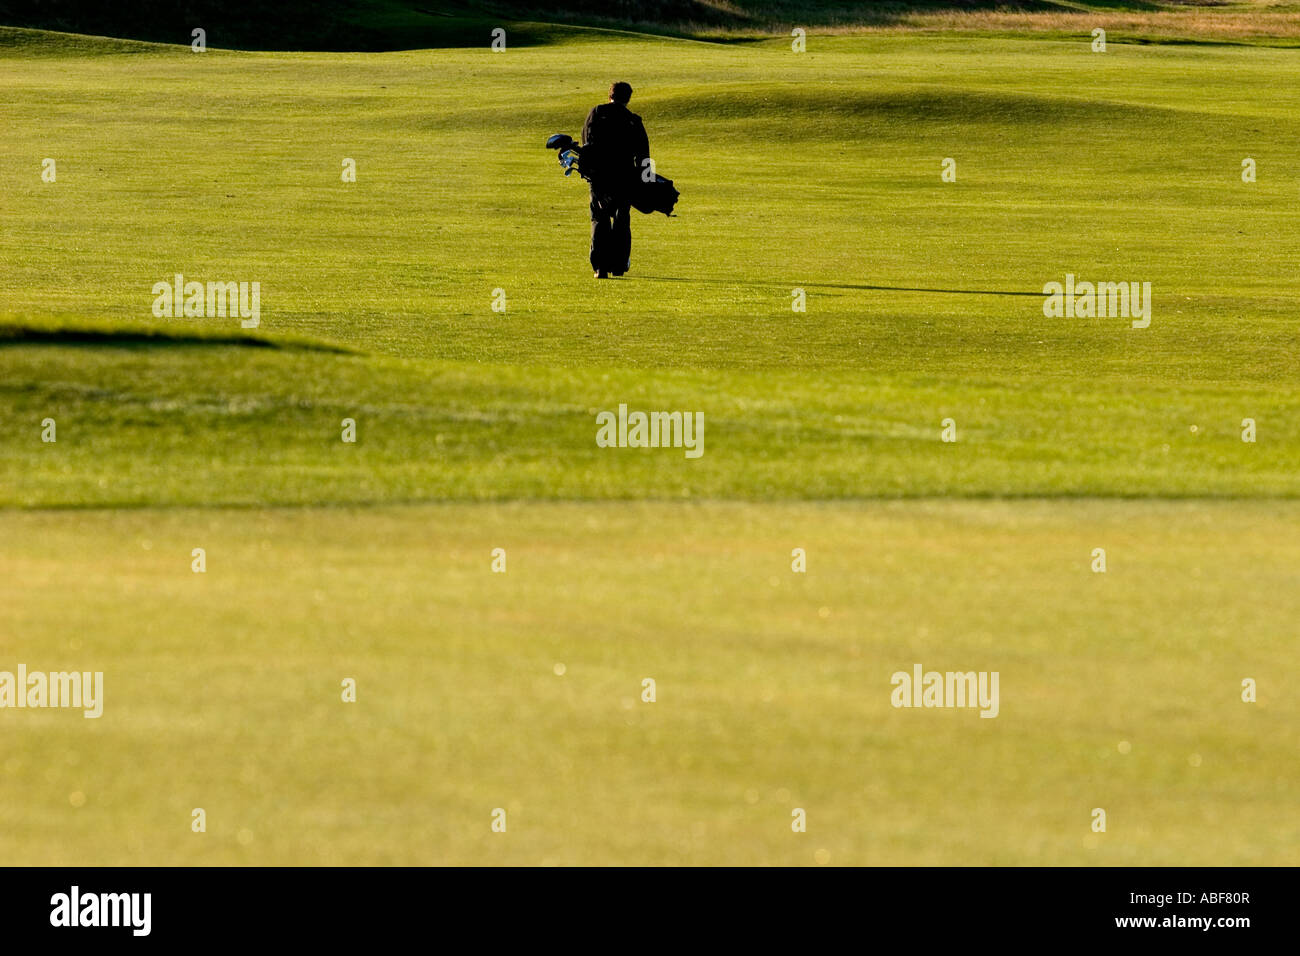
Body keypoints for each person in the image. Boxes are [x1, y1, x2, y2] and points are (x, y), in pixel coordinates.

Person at [582, 81, 649, 278]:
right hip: (625, 177)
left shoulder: (597, 113)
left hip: (599, 176)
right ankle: (618, 265)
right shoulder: (633, 120)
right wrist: (644, 180)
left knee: (599, 218)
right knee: (621, 218)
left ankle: (600, 267)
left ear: (609, 95)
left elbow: (587, 142)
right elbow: (643, 154)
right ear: (628, 98)